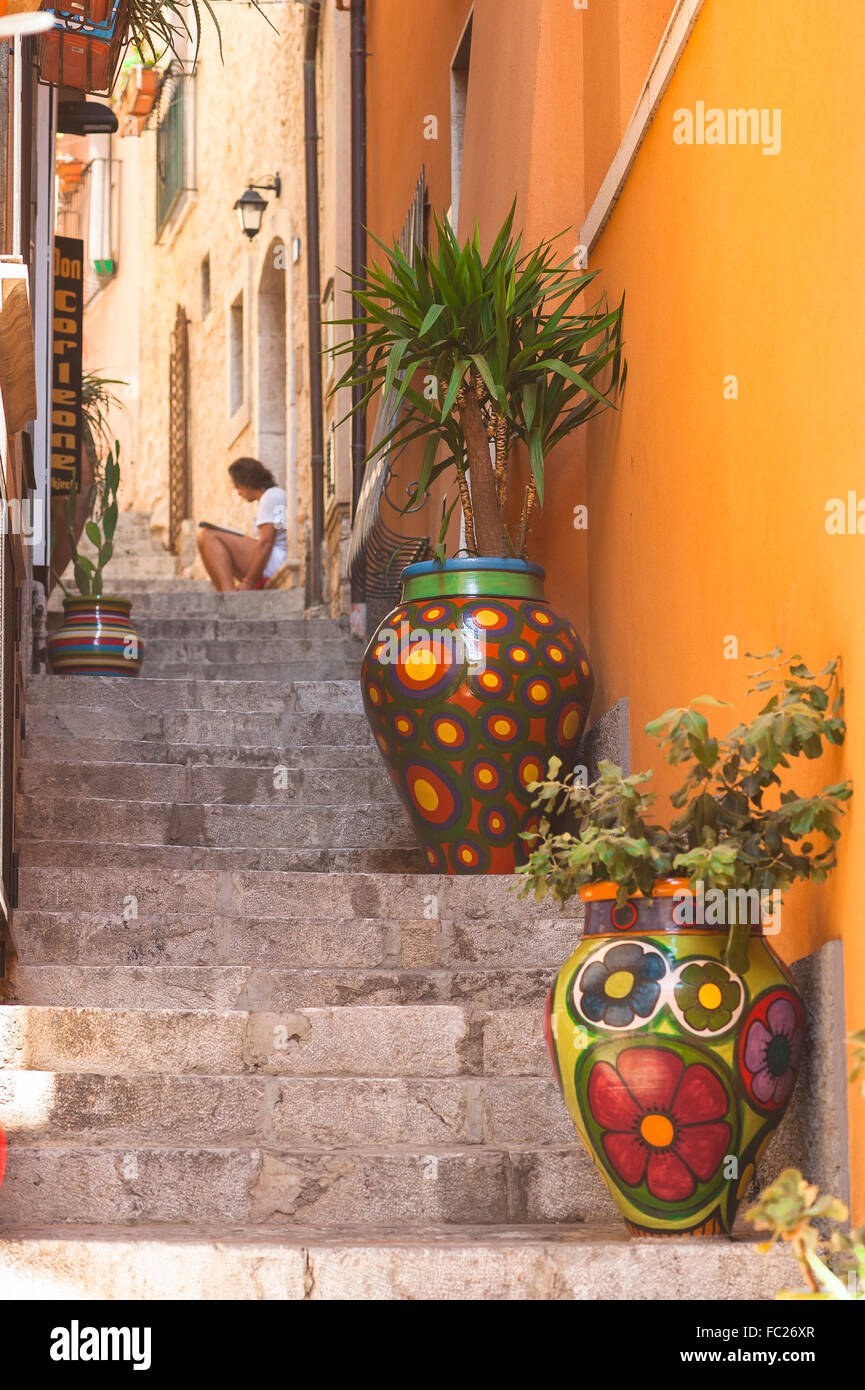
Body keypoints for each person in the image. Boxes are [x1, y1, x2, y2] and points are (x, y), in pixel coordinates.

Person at [197, 458, 289, 592]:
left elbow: (265, 542)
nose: (239, 493)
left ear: (248, 482)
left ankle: (228, 595)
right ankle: (224, 593)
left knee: (208, 536)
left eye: (239, 487)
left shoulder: (271, 496)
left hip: (276, 561)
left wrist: (249, 582)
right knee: (203, 540)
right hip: (274, 560)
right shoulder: (273, 496)